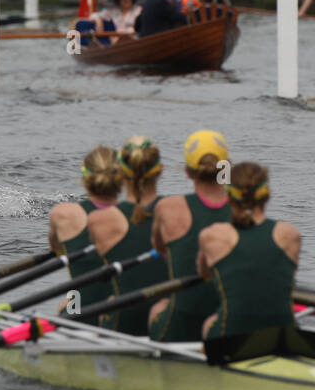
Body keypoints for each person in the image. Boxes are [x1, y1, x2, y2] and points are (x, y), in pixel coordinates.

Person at [197, 162, 300, 341]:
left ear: (228, 198)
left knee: (208, 324)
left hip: (230, 338)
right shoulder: (290, 235)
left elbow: (205, 274)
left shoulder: (211, 236)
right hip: (283, 337)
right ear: (267, 196)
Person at [148, 130, 232, 343]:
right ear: (226, 167)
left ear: (187, 171)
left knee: (158, 307)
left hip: (180, 328)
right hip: (229, 324)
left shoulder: (167, 207)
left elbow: (160, 250)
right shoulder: (247, 211)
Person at [87, 138, 166, 335]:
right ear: (160, 170)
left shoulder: (99, 219)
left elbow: (94, 282)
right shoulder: (179, 208)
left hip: (123, 321)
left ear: (120, 174)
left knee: (76, 302)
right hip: (169, 316)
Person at [48, 146, 124, 323]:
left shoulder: (62, 215)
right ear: (122, 179)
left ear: (84, 178)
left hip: (79, 314)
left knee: (68, 302)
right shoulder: (140, 215)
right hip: (123, 316)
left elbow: (56, 250)